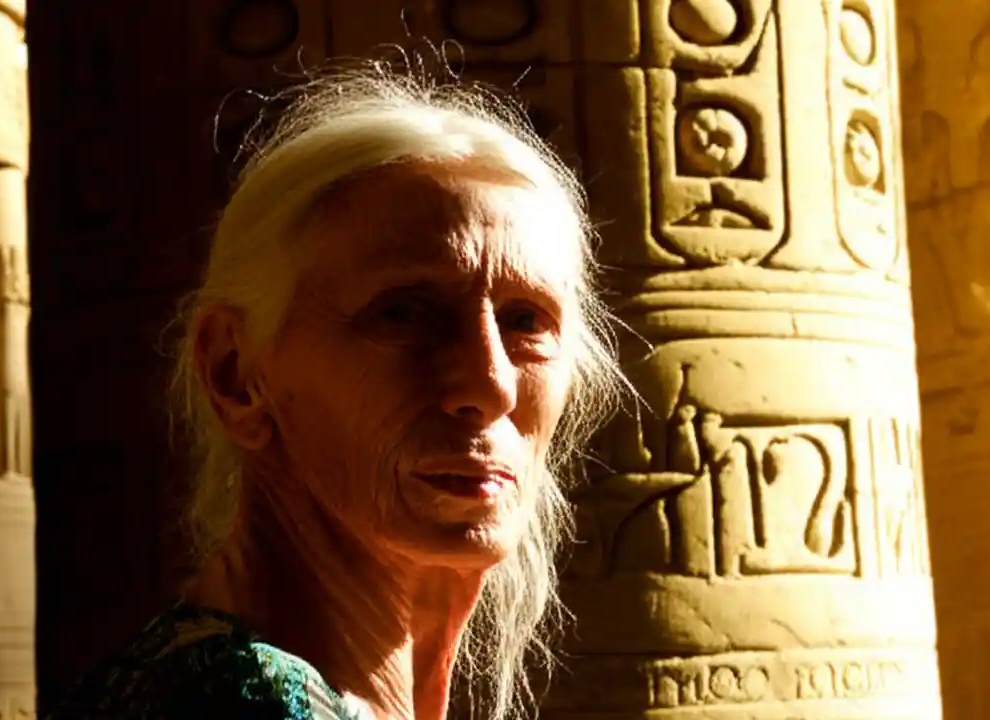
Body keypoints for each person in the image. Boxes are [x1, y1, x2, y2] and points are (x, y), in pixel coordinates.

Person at [46, 62, 624, 720]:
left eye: (526, 321)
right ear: (236, 375)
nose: (489, 384)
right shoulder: (243, 700)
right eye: (403, 314)